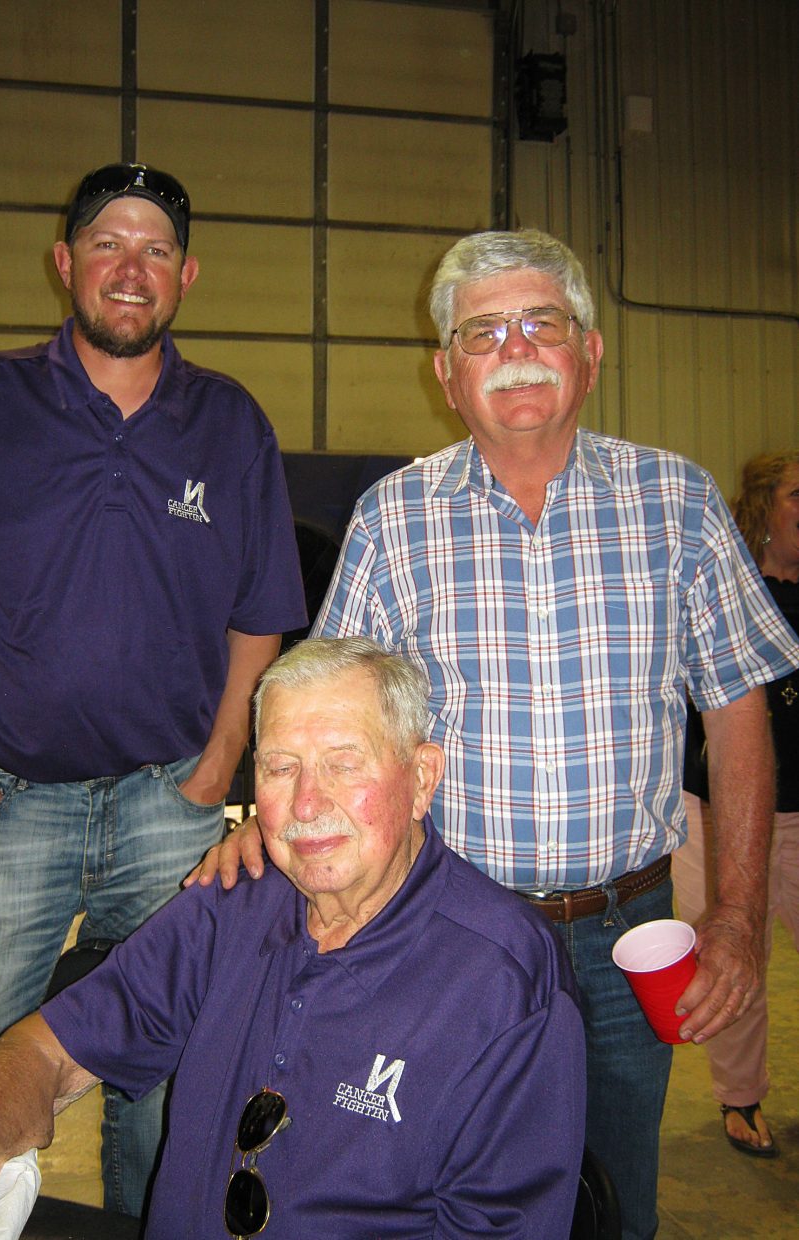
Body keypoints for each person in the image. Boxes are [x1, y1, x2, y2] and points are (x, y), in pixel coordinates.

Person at [189, 230, 799, 1240]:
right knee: (434, 1191)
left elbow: (737, 712)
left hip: (625, 938)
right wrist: (272, 819)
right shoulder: (395, 517)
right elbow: (332, 709)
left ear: (591, 351)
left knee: (613, 1205)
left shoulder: (677, 503)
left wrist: (736, 918)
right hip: (444, 935)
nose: (515, 347)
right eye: (483, 331)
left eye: (542, 322)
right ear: (447, 372)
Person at [0, 162, 306, 1217]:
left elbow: (261, 615)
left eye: (155, 249)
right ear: (65, 263)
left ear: (186, 276)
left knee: (164, 1086)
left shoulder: (231, 424)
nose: (130, 267)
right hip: (10, 807)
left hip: (170, 811)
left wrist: (210, 776)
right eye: (107, 243)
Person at [0, 638, 586, 1240]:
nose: (307, 803)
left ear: (422, 776)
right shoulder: (234, 907)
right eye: (280, 767)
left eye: (344, 762)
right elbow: (49, 1052)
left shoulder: (505, 979)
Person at [674, 449, 799, 1158]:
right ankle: (740, 1094)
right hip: (715, 812)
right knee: (731, 951)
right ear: (762, 507)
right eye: (796, 494)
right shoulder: (727, 584)